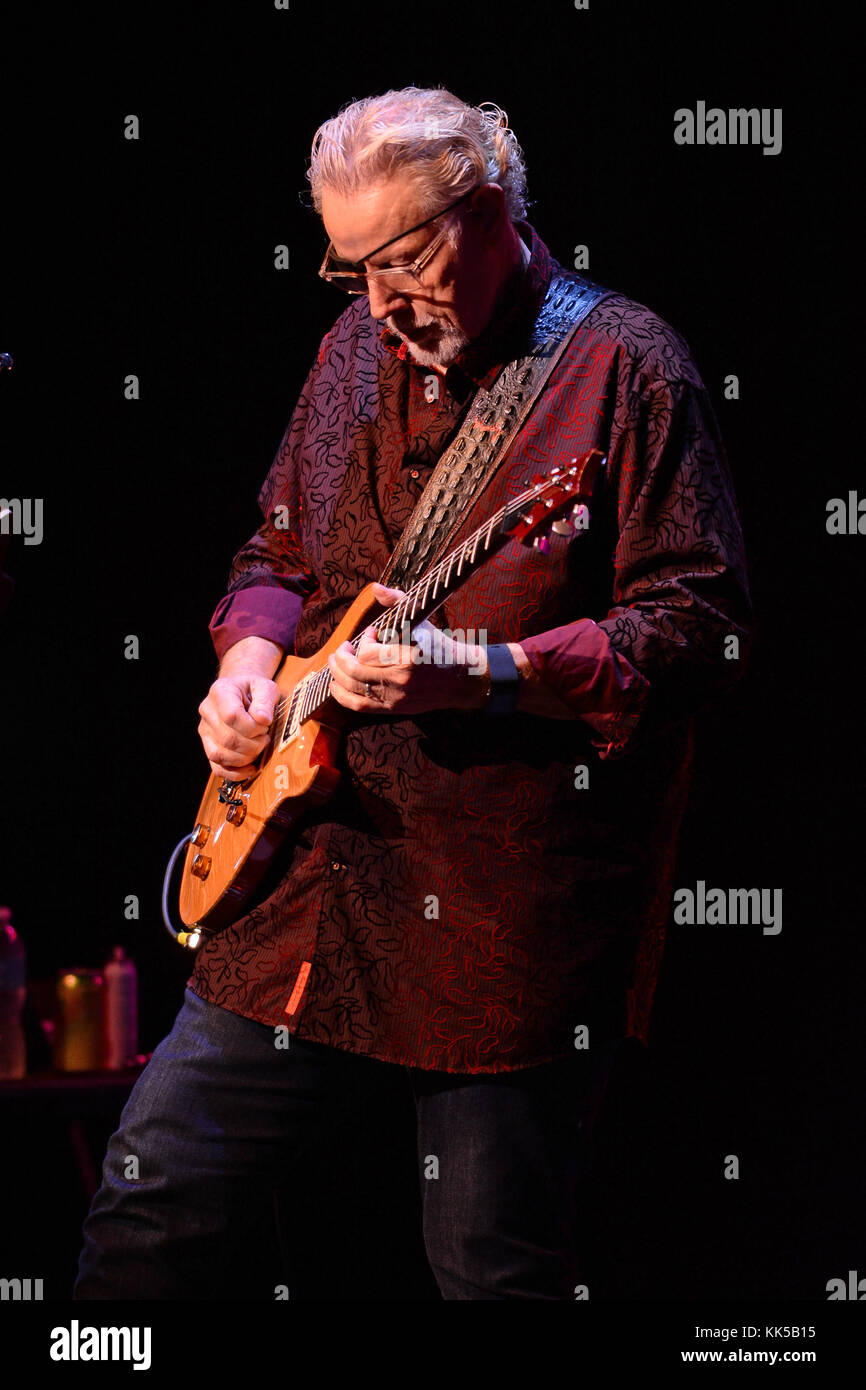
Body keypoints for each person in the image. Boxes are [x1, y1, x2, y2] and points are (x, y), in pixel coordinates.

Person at [74, 86, 752, 1300]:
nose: (380, 304)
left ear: (491, 210)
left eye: (401, 258)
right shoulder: (351, 350)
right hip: (305, 878)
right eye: (350, 271)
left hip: (501, 909)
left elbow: (695, 630)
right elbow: (277, 557)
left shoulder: (628, 370)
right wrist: (243, 674)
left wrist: (486, 671)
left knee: (490, 1271)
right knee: (146, 1220)